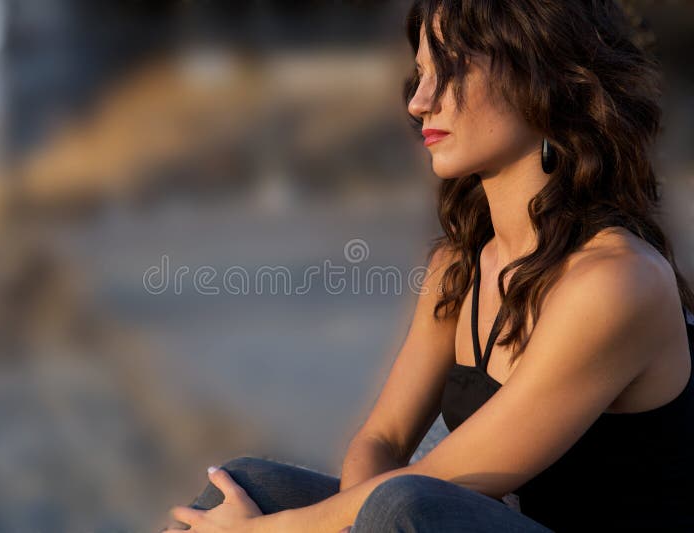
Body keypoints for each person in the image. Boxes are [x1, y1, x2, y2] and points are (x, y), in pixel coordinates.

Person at [163, 0, 694, 531]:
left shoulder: (618, 280)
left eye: (453, 68)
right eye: (421, 74)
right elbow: (384, 439)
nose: (419, 102)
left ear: (544, 75)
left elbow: (441, 482)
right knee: (242, 483)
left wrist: (267, 531)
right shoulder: (460, 265)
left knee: (405, 505)